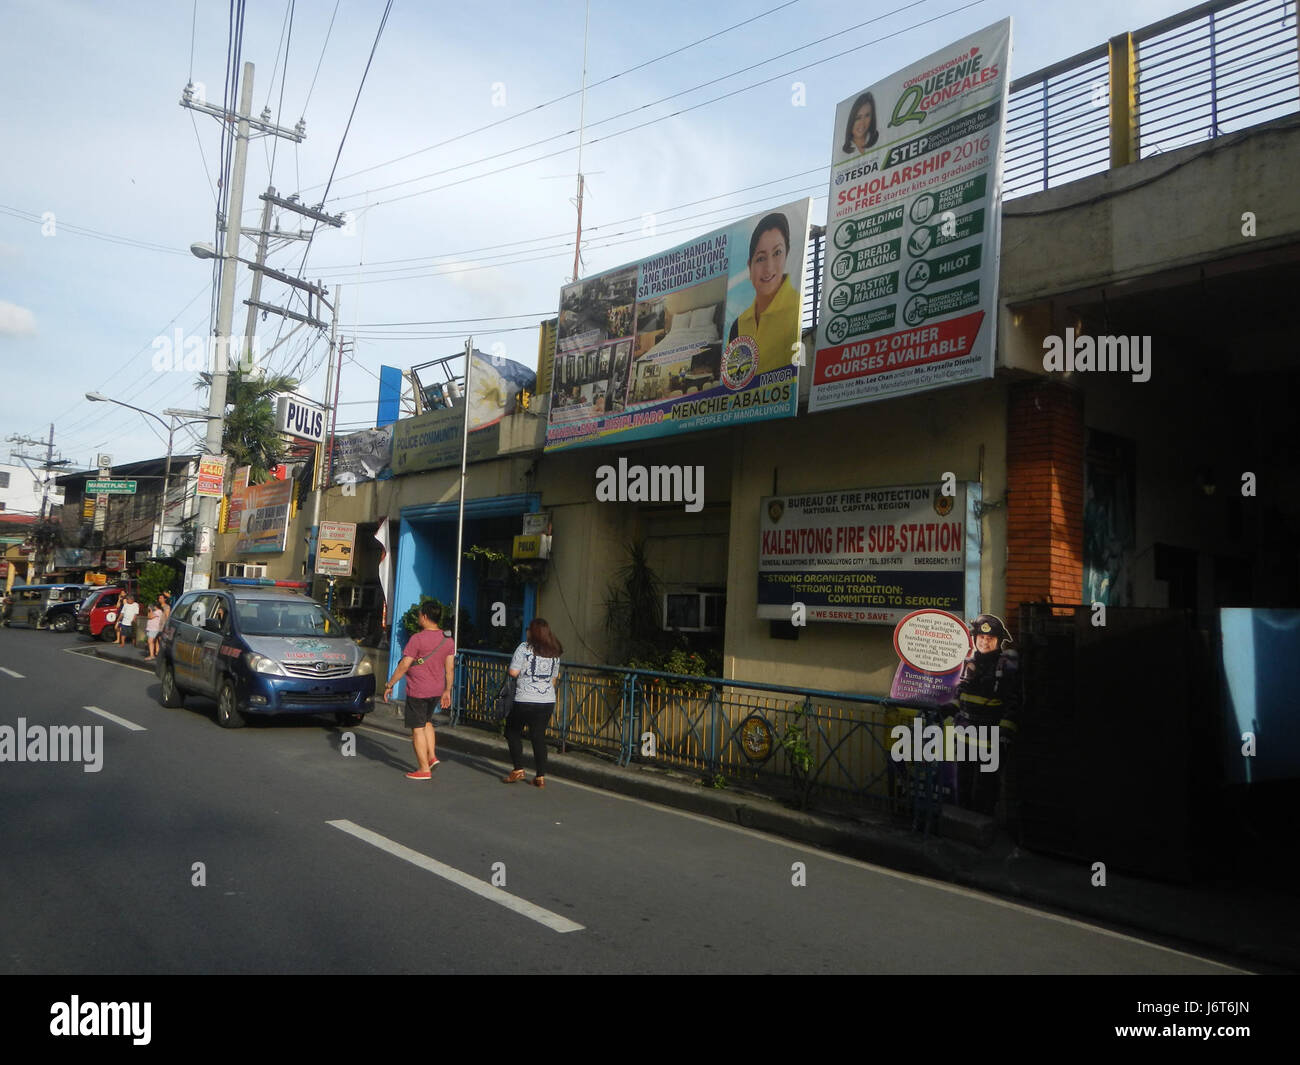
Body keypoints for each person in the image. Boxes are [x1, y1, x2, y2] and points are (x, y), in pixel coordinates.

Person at [952, 614, 1020, 817]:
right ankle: (963, 828)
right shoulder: (970, 663)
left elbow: (1014, 702)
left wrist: (1005, 734)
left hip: (990, 740)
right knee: (963, 784)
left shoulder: (1006, 667)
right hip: (965, 737)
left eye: (990, 638)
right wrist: (950, 707)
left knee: (985, 789)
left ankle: (982, 829)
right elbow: (960, 694)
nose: (984, 641)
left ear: (998, 641)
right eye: (981, 637)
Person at [383, 601, 455, 780]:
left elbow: (404, 665)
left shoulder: (417, 639)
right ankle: (431, 757)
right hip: (436, 690)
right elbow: (450, 669)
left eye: (419, 615)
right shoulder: (447, 640)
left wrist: (390, 684)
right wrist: (447, 690)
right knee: (428, 722)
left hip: (418, 690)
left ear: (424, 616)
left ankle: (423, 769)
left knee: (417, 728)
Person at [727, 212, 801, 377]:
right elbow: (732, 380)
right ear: (750, 265)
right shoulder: (738, 325)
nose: (769, 268)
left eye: (777, 253)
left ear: (787, 254)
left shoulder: (797, 309)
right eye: (760, 258)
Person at [503, 618, 563, 787]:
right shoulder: (555, 652)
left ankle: (518, 769)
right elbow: (554, 679)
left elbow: (513, 672)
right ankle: (540, 776)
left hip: (525, 699)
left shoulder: (524, 648)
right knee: (538, 736)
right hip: (547, 699)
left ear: (533, 632)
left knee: (512, 731)